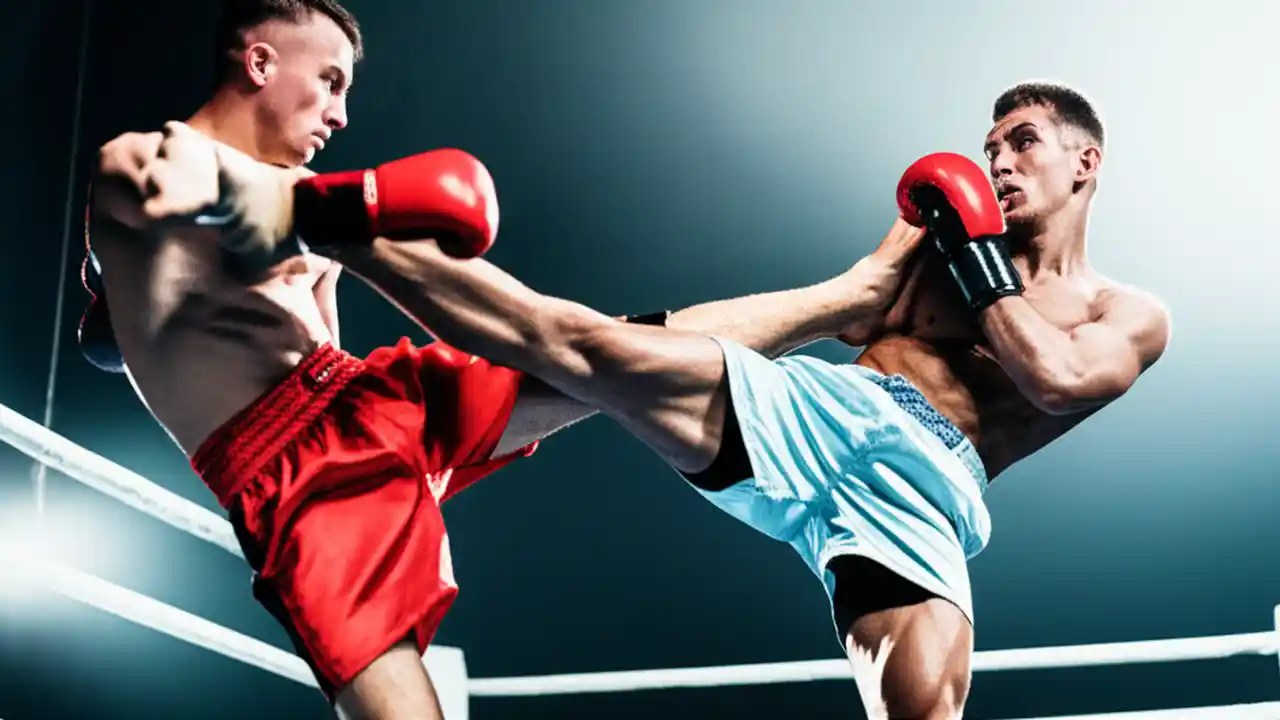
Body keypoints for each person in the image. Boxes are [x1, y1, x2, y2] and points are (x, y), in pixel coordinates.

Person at [137, 81, 1171, 718]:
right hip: (815, 412)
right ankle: (329, 222)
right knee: (583, 345)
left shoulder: (1123, 311)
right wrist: (901, 253)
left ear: (1084, 162)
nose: (996, 158)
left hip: (928, 489)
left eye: (1020, 141)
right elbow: (849, 311)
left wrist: (972, 249)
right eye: (989, 141)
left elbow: (1054, 377)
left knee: (918, 709)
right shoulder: (945, 236)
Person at [82, 2, 923, 716]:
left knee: (611, 349)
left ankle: (848, 297)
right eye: (330, 79)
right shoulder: (143, 157)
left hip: (363, 395)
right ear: (261, 59)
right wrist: (363, 201)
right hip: (290, 471)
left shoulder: (314, 218)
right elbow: (178, 192)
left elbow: (312, 333)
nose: (340, 112)